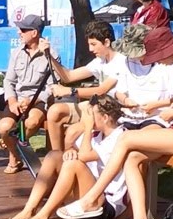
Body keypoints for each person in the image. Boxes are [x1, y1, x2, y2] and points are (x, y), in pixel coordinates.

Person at [59, 25, 173, 219]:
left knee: (126, 139)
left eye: (158, 56)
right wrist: (167, 106)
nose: (159, 61)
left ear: (168, 50)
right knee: (133, 158)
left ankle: (92, 198)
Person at [2, 94, 129, 219]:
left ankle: (43, 217)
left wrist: (87, 128)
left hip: (103, 208)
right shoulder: (97, 135)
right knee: (54, 156)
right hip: (85, 199)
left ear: (105, 118)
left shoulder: (119, 137)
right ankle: (29, 209)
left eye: (91, 115)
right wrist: (70, 151)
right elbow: (72, 146)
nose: (88, 119)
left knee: (72, 164)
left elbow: (86, 155)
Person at [41, 20, 124, 151]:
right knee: (54, 111)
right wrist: (48, 55)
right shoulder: (99, 61)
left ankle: (72, 166)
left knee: (71, 135)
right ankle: (56, 158)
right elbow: (68, 76)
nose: (91, 49)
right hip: (96, 107)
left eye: (94, 44)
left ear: (107, 42)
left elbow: (103, 90)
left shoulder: (120, 61)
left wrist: (70, 91)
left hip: (112, 111)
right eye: (89, 44)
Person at [0, 14, 54, 174]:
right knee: (5, 128)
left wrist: (32, 101)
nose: (18, 32)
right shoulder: (16, 53)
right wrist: (13, 101)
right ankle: (16, 155)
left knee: (32, 123)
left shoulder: (51, 54)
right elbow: (8, 81)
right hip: (18, 98)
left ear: (34, 33)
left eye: (22, 29)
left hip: (38, 100)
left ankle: (13, 157)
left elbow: (52, 87)